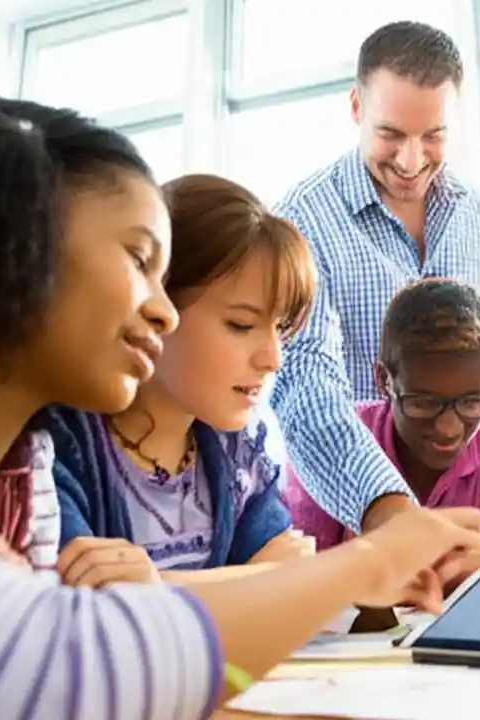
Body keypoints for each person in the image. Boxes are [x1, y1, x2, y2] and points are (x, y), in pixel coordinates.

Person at [0, 96, 480, 719]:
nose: (163, 311)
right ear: (6, 236)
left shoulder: (24, 466)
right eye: (140, 260)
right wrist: (363, 565)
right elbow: (38, 667)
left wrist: (346, 572)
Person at [273, 21, 480, 543]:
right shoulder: (303, 222)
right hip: (349, 527)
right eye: (390, 134)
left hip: (470, 526)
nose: (411, 161)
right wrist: (391, 513)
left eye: (433, 136)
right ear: (356, 107)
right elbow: (305, 386)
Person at [47, 174, 316, 585]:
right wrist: (250, 583)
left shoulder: (237, 453)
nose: (273, 359)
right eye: (241, 324)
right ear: (154, 305)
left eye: (280, 328)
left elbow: (288, 580)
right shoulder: (60, 445)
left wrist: (158, 589)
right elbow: (91, 605)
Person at [285, 278, 480, 551]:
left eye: (472, 403)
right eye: (423, 404)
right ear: (383, 380)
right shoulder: (336, 442)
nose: (448, 429)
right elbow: (300, 570)